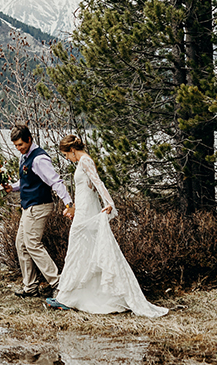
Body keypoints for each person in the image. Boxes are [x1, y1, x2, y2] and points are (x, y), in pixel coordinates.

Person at [44, 134, 168, 317]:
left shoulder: (85, 161)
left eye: (66, 154)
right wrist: (73, 208)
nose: (67, 158)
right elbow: (85, 189)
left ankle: (67, 297)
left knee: (77, 247)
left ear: (72, 150)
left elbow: (97, 182)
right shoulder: (81, 162)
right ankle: (70, 296)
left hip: (87, 211)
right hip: (83, 209)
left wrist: (109, 203)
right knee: (83, 249)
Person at [9, 124, 75, 298]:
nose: (18, 148)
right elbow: (27, 181)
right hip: (28, 207)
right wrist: (11, 187)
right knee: (21, 244)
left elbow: (55, 181)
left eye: (20, 144)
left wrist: (68, 203)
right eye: (15, 145)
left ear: (29, 139)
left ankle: (57, 283)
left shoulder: (39, 159)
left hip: (39, 206)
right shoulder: (25, 157)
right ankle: (30, 287)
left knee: (32, 244)